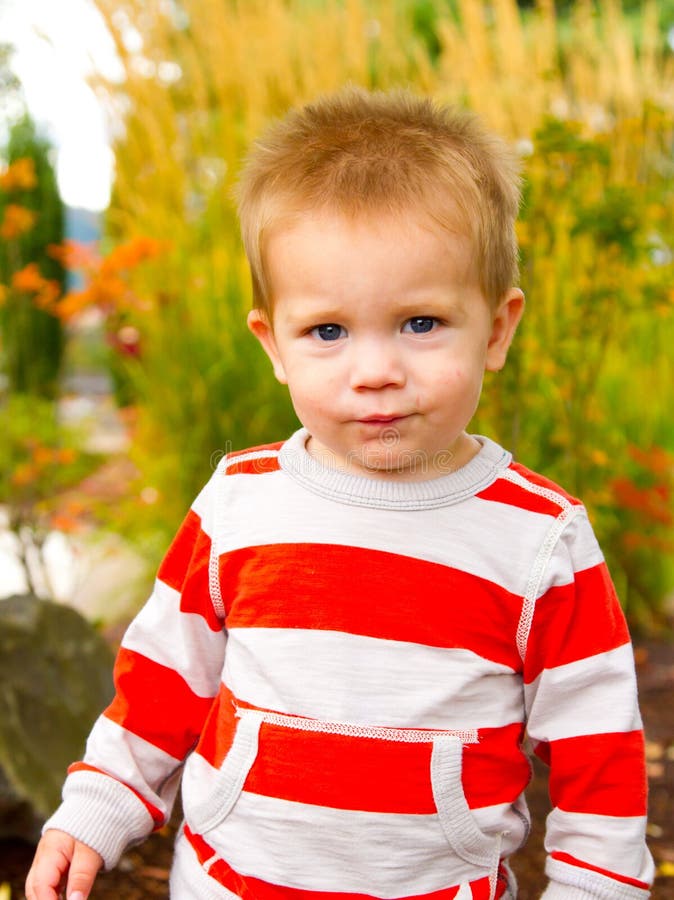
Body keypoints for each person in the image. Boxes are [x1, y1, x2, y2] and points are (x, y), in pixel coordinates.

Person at [26, 86, 653, 900]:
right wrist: (97, 807)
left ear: (497, 329)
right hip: (228, 885)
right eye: (328, 331)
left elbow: (599, 757)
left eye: (421, 323)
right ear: (274, 343)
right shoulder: (239, 506)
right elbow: (160, 684)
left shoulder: (539, 540)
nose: (375, 370)